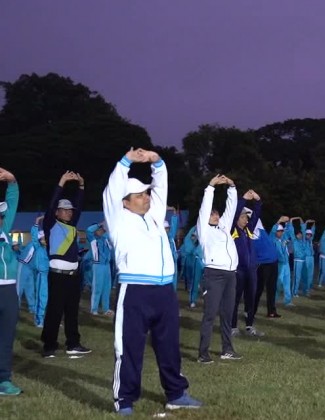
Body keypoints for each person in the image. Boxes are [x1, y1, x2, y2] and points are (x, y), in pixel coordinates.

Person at [105, 148, 201, 415]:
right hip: (135, 291)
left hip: (164, 291)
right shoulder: (118, 218)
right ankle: (124, 400)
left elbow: (162, 186)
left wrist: (157, 162)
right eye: (139, 195)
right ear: (125, 201)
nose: (146, 198)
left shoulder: (155, 215)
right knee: (129, 347)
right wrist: (125, 162)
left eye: (146, 193)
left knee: (169, 345)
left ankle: (176, 393)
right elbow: (112, 189)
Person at [41, 170, 90, 358]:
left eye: (70, 210)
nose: (69, 212)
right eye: (65, 210)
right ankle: (49, 346)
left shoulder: (71, 225)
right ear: (57, 212)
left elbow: (80, 204)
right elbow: (52, 202)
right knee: (54, 310)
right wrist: (61, 182)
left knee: (72, 311)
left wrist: (81, 186)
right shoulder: (50, 224)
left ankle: (73, 343)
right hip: (58, 274)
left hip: (73, 275)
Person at [196, 174, 242, 364]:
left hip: (231, 274)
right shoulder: (204, 231)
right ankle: (203, 353)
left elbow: (231, 209)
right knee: (210, 314)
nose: (215, 215)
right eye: (212, 214)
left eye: (216, 213)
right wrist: (211, 187)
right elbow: (205, 207)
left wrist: (231, 187)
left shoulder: (224, 227)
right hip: (214, 274)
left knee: (227, 314)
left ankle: (227, 350)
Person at [0, 167, 21, 396]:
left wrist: (12, 181)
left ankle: (3, 380)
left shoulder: (4, 231)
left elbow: (12, 202)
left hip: (8, 292)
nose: (1, 219)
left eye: (1, 216)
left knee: (6, 338)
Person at [231, 191, 263, 337]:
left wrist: (257, 200)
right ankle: (233, 327)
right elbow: (236, 210)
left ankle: (250, 326)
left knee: (251, 299)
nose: (245, 220)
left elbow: (256, 213)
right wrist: (243, 200)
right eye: (243, 217)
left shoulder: (248, 231)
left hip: (251, 271)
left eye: (246, 218)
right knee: (235, 299)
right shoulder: (232, 231)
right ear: (237, 218)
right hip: (239, 271)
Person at [254, 219, 280, 318]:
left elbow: (255, 214)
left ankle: (271, 312)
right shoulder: (249, 235)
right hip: (263, 264)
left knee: (272, 288)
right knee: (258, 289)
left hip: (274, 262)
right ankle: (251, 311)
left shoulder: (261, 230)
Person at [85, 222, 113, 316]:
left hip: (107, 266)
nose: (101, 231)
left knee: (107, 288)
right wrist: (99, 224)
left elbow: (112, 233)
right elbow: (88, 230)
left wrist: (106, 227)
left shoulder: (106, 239)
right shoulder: (92, 239)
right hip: (98, 266)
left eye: (103, 230)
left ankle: (106, 309)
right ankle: (94, 309)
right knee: (97, 288)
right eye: (99, 230)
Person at [270, 218, 293, 306]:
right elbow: (272, 231)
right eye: (279, 231)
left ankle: (288, 301)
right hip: (278, 264)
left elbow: (290, 231)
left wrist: (288, 222)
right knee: (278, 282)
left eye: (281, 231)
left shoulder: (283, 238)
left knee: (287, 282)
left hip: (286, 263)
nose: (281, 232)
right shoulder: (272, 239)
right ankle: (274, 299)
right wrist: (279, 221)